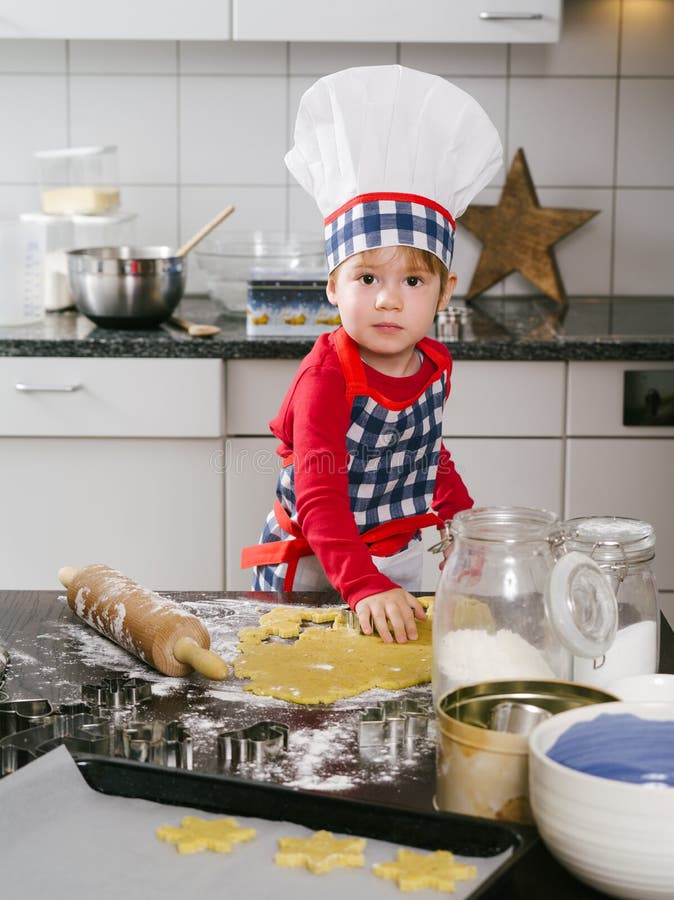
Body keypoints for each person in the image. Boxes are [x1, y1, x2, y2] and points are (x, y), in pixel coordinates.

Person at [241, 65, 502, 644]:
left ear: (445, 291)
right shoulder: (326, 378)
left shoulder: (433, 364)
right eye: (366, 278)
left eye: (413, 282)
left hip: (398, 562)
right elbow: (318, 495)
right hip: (317, 569)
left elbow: (425, 455)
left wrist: (467, 528)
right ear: (333, 288)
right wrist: (360, 584)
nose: (389, 300)